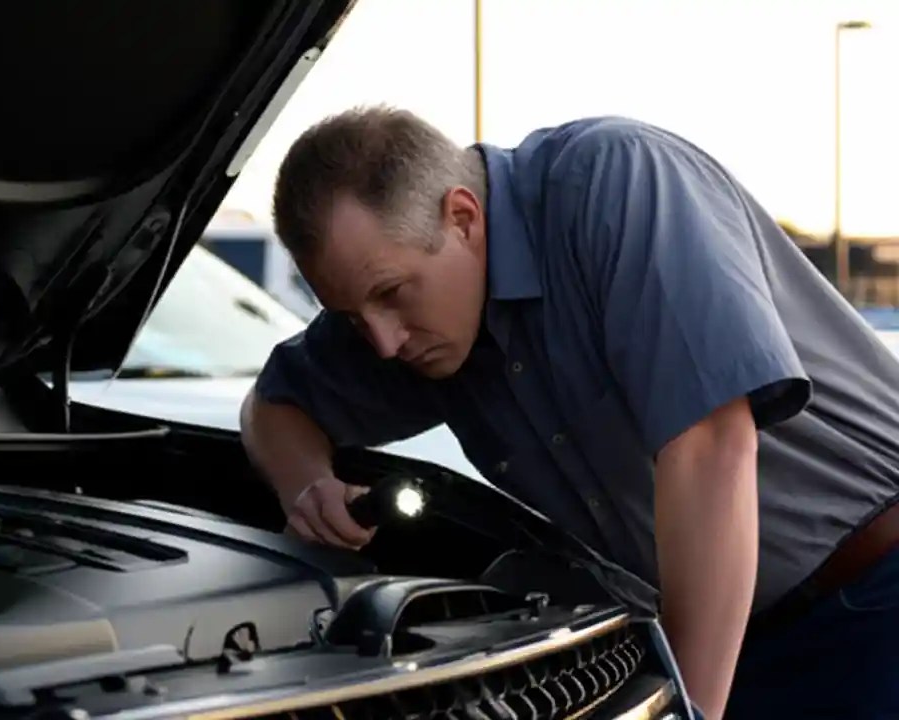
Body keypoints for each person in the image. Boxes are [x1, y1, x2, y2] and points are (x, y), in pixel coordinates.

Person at [238, 106, 899, 719]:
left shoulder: (618, 184)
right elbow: (273, 405)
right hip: (721, 645)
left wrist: (685, 710)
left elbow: (710, 448)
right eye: (352, 317)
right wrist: (306, 484)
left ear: (462, 216)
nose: (382, 342)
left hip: (877, 601)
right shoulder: (408, 312)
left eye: (390, 294)